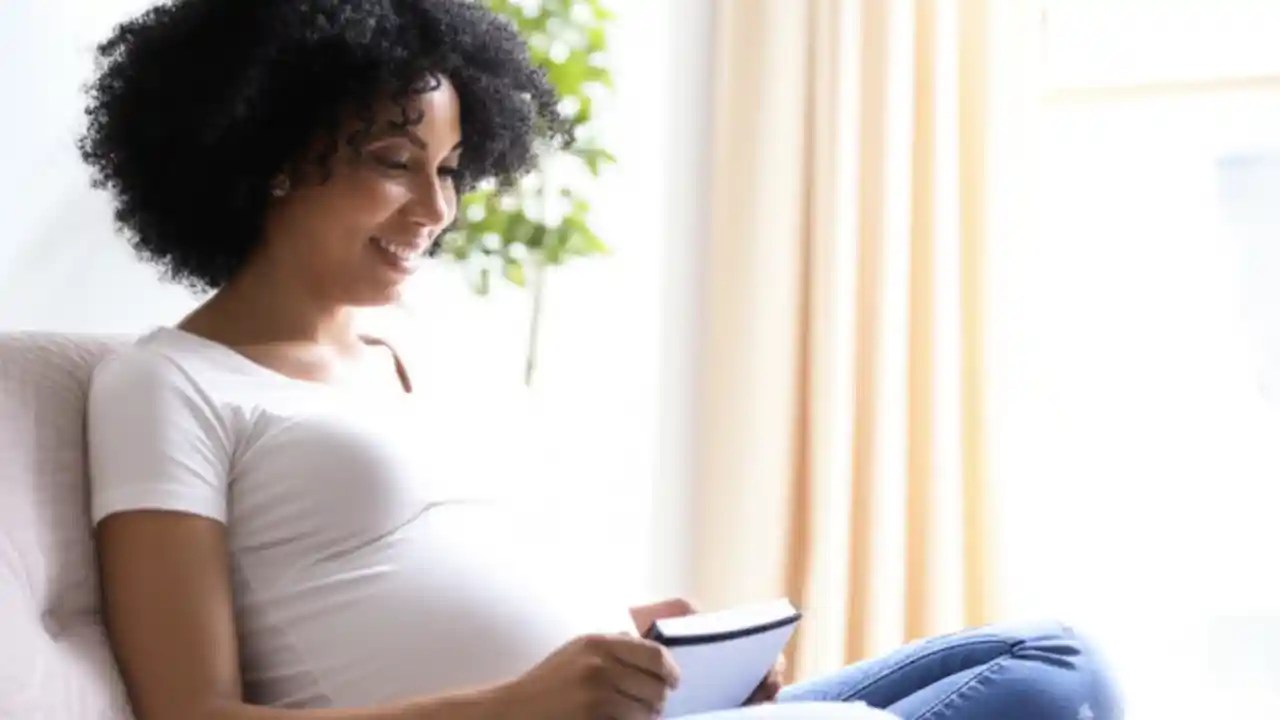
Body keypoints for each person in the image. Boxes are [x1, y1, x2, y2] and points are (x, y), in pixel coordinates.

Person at [79, 1, 1121, 719]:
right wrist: (512, 706)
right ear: (263, 152)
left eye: (448, 169)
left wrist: (624, 645)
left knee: (1042, 646)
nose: (434, 210)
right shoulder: (169, 383)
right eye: (392, 163)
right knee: (1050, 682)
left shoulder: (412, 356)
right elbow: (189, 711)